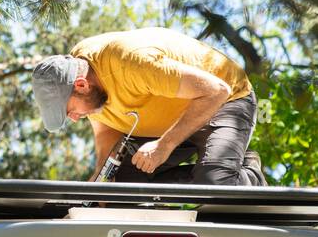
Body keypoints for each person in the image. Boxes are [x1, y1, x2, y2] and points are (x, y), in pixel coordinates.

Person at [31, 26, 267, 186]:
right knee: (119, 189)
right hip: (171, 120)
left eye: (69, 110)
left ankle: (247, 173)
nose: (73, 118)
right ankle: (213, 171)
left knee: (215, 186)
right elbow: (106, 128)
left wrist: (164, 145)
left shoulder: (130, 63)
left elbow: (216, 91)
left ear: (82, 85)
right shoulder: (81, 75)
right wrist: (100, 178)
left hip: (224, 100)